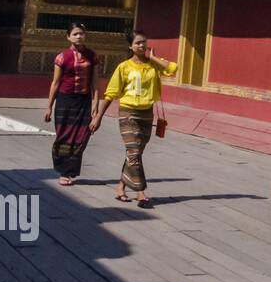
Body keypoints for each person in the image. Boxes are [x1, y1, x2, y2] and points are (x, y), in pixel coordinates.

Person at [91, 29, 177, 209]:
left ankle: (121, 187)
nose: (142, 45)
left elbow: (172, 69)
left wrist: (153, 59)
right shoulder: (124, 67)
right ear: (130, 46)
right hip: (128, 113)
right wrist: (98, 116)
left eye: (144, 42)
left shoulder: (153, 65)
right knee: (134, 152)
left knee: (135, 153)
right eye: (138, 43)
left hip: (147, 113)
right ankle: (141, 193)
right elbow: (111, 93)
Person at [44, 23, 99, 186]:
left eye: (81, 33)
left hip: (83, 101)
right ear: (68, 36)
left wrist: (96, 103)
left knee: (82, 136)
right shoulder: (62, 57)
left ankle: (71, 170)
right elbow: (55, 82)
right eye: (75, 34)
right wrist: (49, 106)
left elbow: (95, 82)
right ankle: (63, 171)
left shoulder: (92, 56)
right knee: (64, 136)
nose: (79, 36)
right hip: (65, 100)